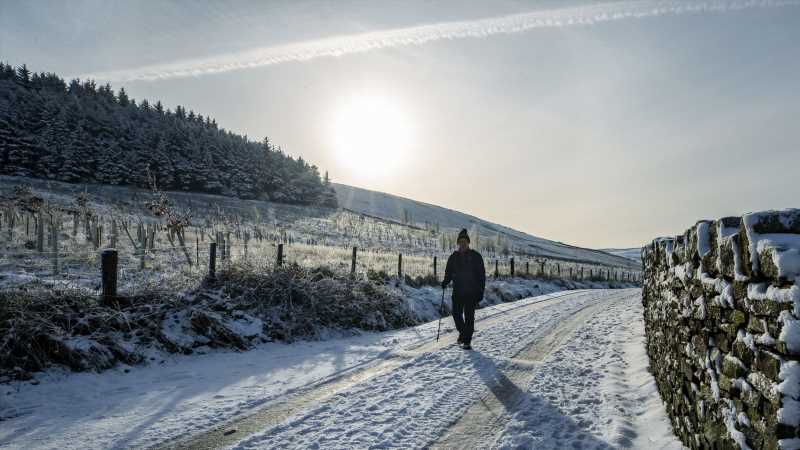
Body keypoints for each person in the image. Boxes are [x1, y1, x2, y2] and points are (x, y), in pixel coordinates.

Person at [441, 228, 486, 350]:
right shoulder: (453, 257)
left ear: (468, 243)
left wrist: (481, 291)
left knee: (469, 316)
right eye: (460, 241)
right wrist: (445, 281)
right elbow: (448, 272)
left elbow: (481, 275)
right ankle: (463, 333)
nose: (462, 243)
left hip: (472, 292)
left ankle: (467, 341)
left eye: (464, 241)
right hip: (458, 292)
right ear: (458, 243)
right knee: (456, 314)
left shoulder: (476, 256)